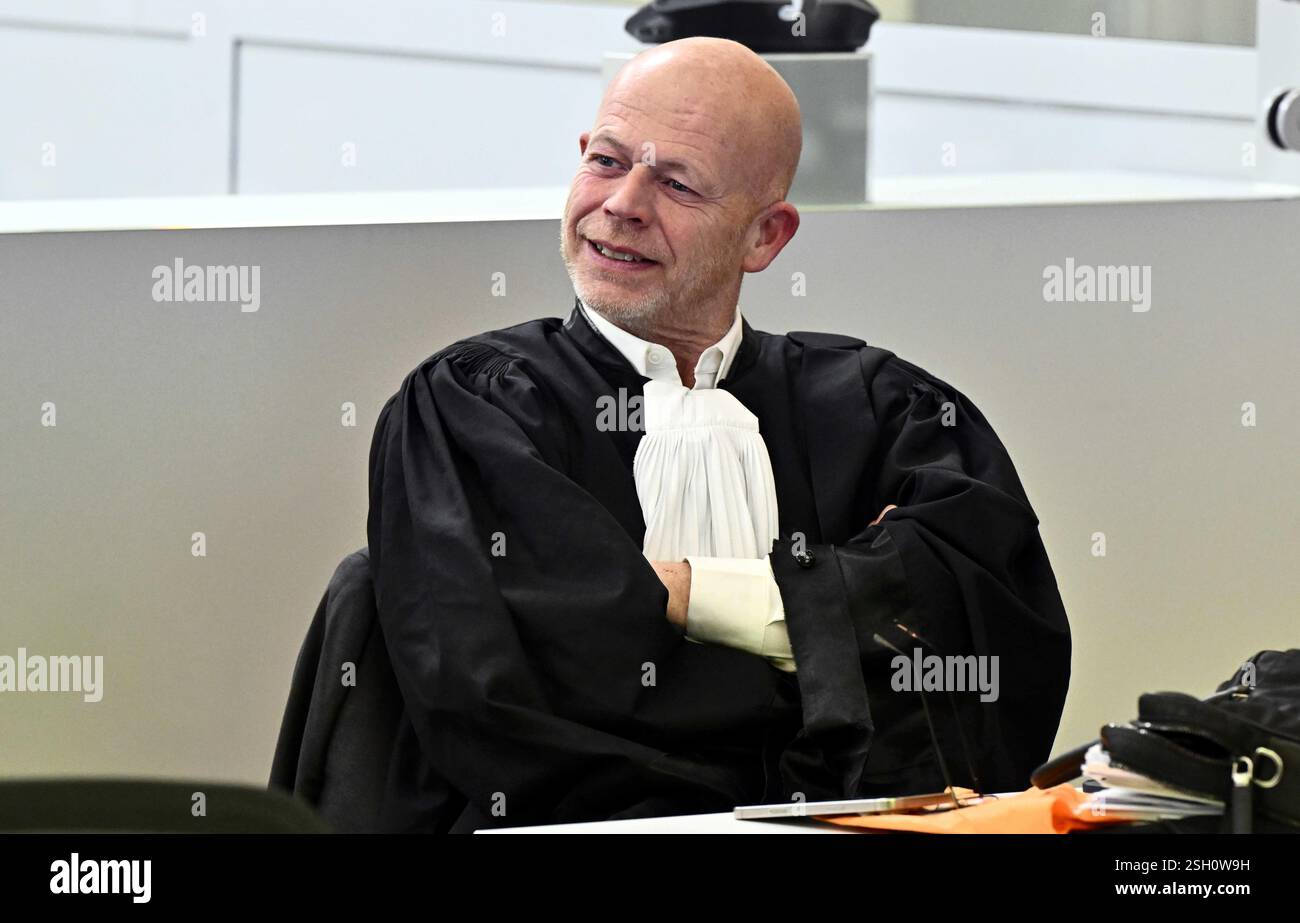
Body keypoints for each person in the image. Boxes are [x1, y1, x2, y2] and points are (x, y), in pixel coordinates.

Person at [366, 36, 1071, 832]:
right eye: (606, 159)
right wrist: (829, 637)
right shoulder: (475, 407)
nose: (623, 203)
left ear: (765, 236)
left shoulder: (884, 412)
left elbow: (989, 637)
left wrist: (674, 593)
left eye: (676, 182)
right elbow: (514, 695)